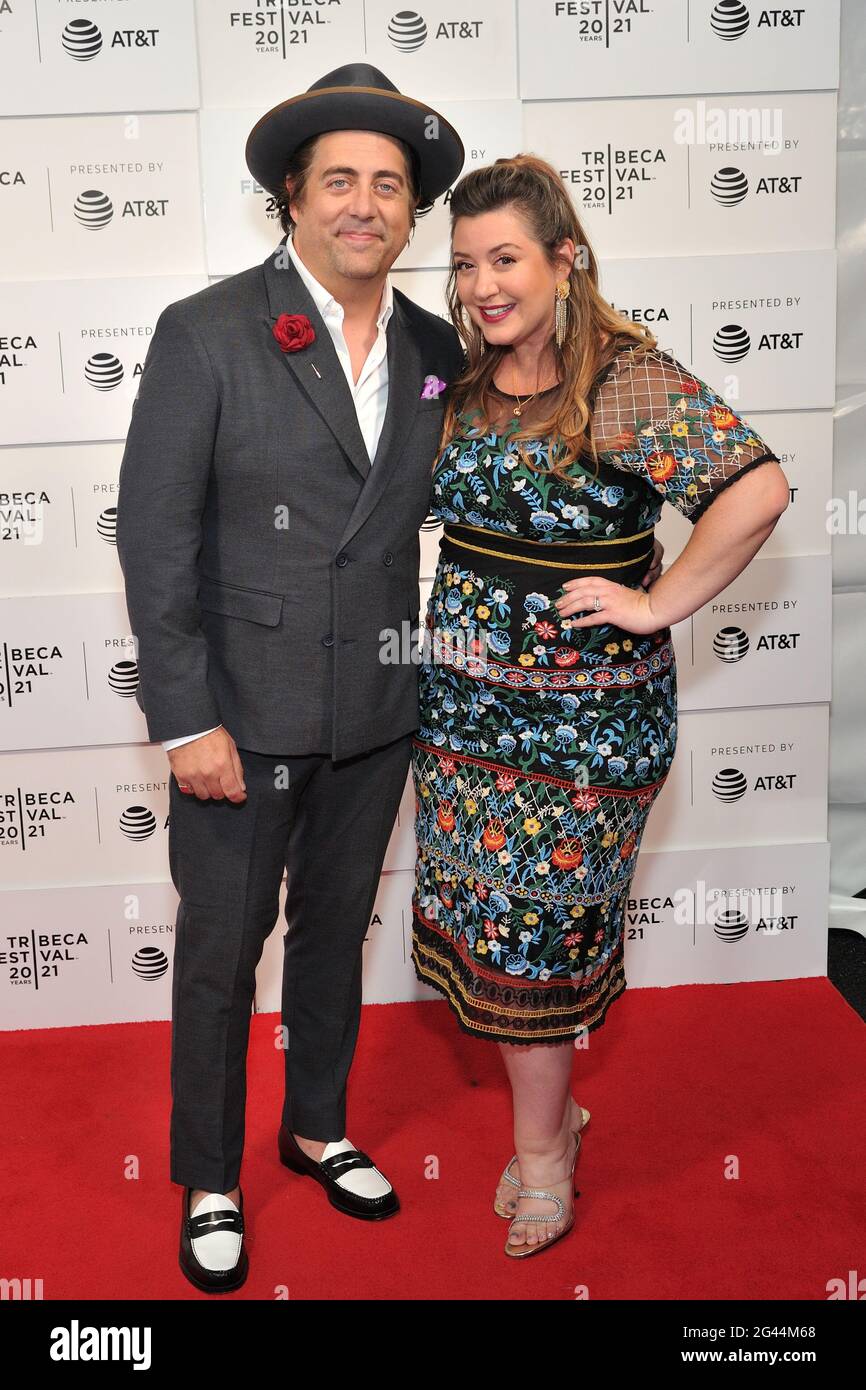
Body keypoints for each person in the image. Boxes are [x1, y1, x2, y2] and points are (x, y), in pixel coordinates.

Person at [115, 63, 465, 1293]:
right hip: (238, 717)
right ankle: (211, 1173)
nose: (365, 203)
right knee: (221, 951)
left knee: (331, 939)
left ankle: (315, 1124)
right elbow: (156, 538)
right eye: (340, 181)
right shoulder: (206, 329)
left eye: (388, 184)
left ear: (411, 212)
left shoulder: (435, 348)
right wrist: (186, 718)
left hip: (375, 707)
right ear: (291, 196)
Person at [409, 154, 791, 1259]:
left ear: (563, 258)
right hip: (466, 713)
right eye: (467, 262)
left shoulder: (620, 378)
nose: (483, 283)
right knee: (492, 927)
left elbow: (754, 488)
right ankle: (553, 1115)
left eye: (507, 259)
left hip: (583, 725)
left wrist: (654, 601)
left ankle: (541, 1155)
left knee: (533, 939)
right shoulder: (464, 380)